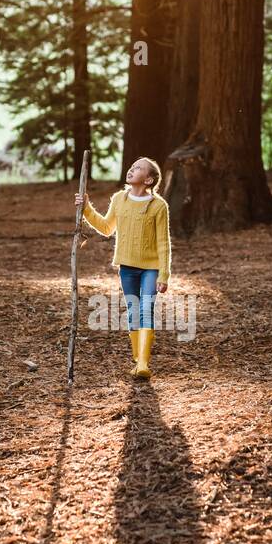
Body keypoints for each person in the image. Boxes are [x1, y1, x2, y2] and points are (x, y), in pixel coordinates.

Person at [75, 157, 171, 379]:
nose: (131, 169)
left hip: (151, 268)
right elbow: (107, 228)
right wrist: (86, 207)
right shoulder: (119, 199)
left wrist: (164, 274)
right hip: (127, 267)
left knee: (146, 307)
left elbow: (163, 243)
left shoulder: (158, 206)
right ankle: (138, 360)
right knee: (133, 310)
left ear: (148, 179)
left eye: (138, 168)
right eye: (132, 166)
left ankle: (144, 363)